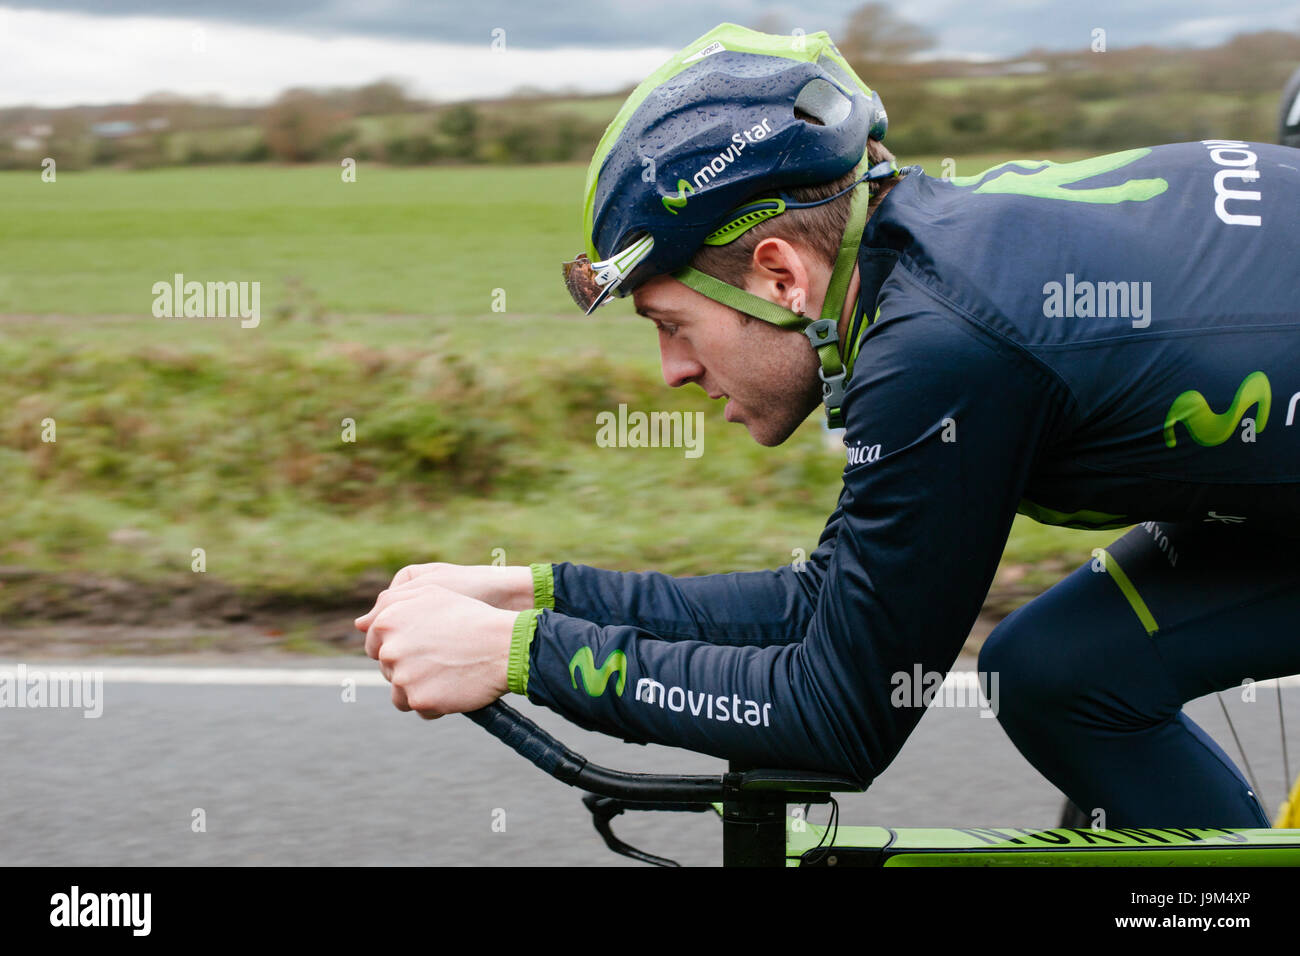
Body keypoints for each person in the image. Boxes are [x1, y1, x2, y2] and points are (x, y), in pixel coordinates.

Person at [358, 23, 1300, 828]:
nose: (675, 372)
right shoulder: (928, 273)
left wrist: (518, 658)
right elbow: (824, 608)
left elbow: (835, 720)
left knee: (1063, 677)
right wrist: (537, 597)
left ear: (778, 276)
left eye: (673, 324)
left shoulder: (945, 347)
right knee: (1057, 675)